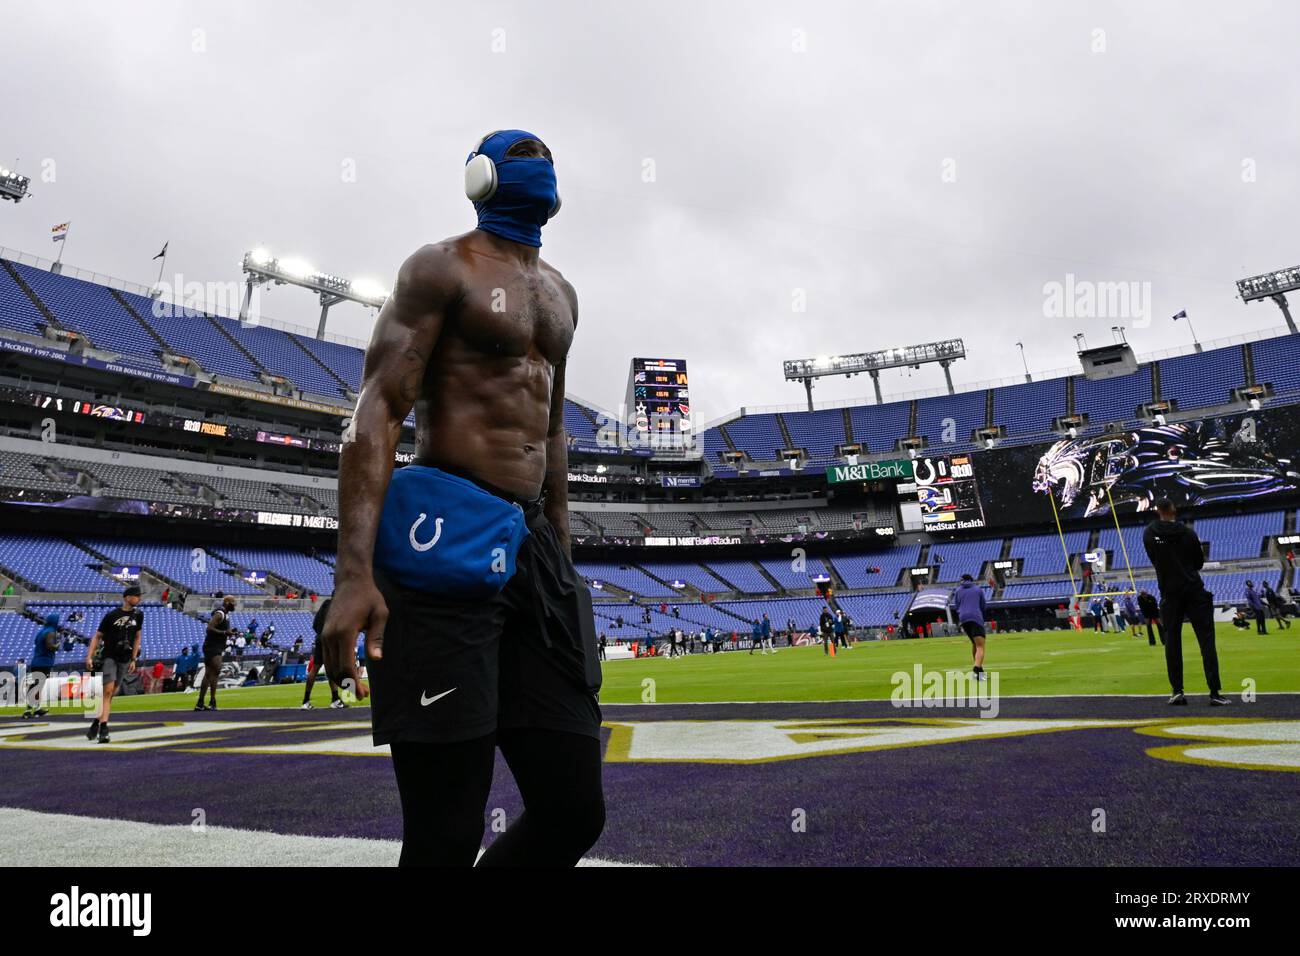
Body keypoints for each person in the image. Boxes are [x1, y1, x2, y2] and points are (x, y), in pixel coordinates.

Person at [321, 129, 604, 868]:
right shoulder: (440, 267)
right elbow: (375, 411)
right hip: (445, 541)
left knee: (573, 811)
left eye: (549, 154)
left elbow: (553, 429)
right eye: (523, 154)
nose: (540, 163)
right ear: (481, 177)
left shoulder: (563, 293)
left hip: (532, 550)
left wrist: (562, 558)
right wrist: (353, 574)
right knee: (446, 829)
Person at [1143, 499, 1229, 705]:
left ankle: (1177, 691)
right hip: (1193, 590)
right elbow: (1198, 562)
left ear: (1157, 511)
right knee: (1206, 641)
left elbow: (1154, 559)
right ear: (1174, 509)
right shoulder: (1188, 533)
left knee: (1172, 641)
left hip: (1169, 593)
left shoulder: (1149, 533)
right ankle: (1215, 692)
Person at [84, 586, 145, 743]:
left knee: (111, 694)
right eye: (136, 596)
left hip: (124, 658)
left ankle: (96, 723)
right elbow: (97, 636)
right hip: (109, 656)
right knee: (108, 691)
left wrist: (133, 658)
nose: (139, 599)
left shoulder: (139, 615)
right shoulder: (112, 615)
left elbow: (137, 636)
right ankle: (104, 729)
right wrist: (89, 656)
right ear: (127, 597)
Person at [302, 598, 345, 709]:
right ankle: (335, 700)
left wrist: (321, 634)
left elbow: (314, 625)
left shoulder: (325, 605)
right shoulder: (337, 608)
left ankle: (305, 701)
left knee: (315, 669)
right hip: (329, 641)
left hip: (320, 639)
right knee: (331, 669)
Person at [198, 595, 235, 712]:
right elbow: (209, 628)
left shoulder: (225, 614)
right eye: (233, 603)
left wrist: (228, 633)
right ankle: (212, 701)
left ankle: (201, 703)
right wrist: (224, 632)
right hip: (212, 646)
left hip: (215, 646)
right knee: (215, 671)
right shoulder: (220, 613)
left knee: (209, 674)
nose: (234, 605)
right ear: (227, 603)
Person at [22, 614, 61, 718]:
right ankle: (28, 710)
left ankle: (37, 708)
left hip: (37, 660)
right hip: (44, 662)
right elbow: (50, 646)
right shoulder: (51, 632)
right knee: (36, 686)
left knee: (37, 686)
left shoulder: (42, 631)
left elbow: (36, 642)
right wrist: (58, 645)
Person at [950, 574, 989, 680]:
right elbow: (983, 606)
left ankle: (980, 673)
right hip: (975, 617)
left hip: (963, 618)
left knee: (974, 644)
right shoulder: (978, 590)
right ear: (972, 580)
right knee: (980, 646)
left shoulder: (958, 591)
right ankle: (977, 668)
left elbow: (957, 606)